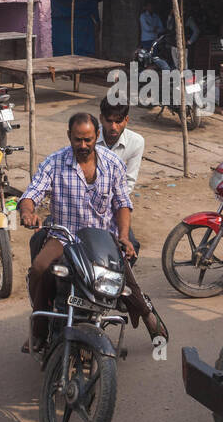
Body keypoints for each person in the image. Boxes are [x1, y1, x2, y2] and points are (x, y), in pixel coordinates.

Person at [18, 112, 167, 351]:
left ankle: (147, 314)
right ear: (69, 136)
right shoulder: (54, 163)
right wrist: (27, 212)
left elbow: (122, 204)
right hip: (64, 237)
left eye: (88, 139)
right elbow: (30, 195)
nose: (83, 145)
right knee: (39, 269)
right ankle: (39, 330)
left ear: (96, 136)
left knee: (123, 281)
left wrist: (124, 236)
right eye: (78, 139)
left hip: (101, 240)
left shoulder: (112, 164)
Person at [98, 97, 145, 252]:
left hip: (116, 203)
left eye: (118, 122)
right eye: (109, 121)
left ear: (126, 120)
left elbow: (129, 181)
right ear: (101, 118)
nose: (113, 127)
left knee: (130, 246)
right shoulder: (88, 137)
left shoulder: (136, 142)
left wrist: (114, 201)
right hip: (86, 200)